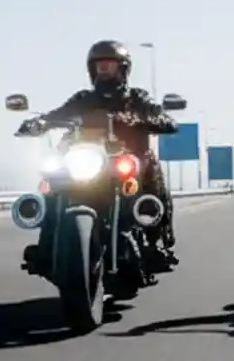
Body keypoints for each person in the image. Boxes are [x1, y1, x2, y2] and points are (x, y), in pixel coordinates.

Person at [32, 40, 180, 259]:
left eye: (108, 65)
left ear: (123, 68)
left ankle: (154, 238)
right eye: (99, 66)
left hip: (126, 158)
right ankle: (46, 244)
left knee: (150, 168)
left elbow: (164, 118)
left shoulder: (137, 98)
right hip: (89, 159)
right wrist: (40, 122)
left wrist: (142, 119)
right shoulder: (83, 99)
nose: (103, 71)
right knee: (53, 180)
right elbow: (59, 114)